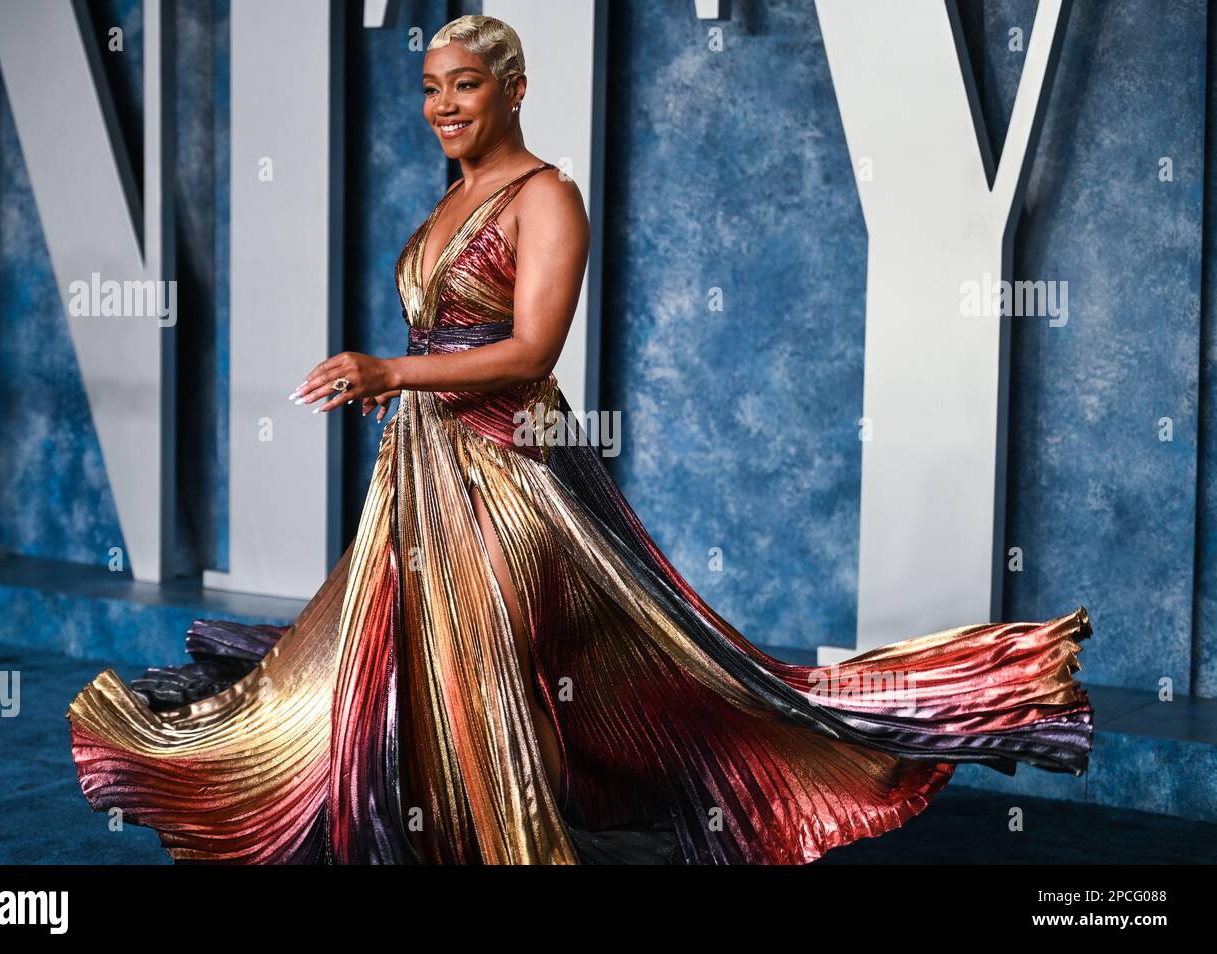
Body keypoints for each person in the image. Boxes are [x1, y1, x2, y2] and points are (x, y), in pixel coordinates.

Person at [66, 14, 1093, 865]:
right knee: (409, 657)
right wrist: (406, 391)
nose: (441, 108)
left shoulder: (546, 196)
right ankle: (456, 827)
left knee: (513, 646)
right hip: (424, 469)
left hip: (514, 467)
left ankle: (534, 827)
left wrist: (392, 371)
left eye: (463, 86)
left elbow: (528, 350)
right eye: (429, 89)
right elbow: (450, 331)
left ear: (513, 88)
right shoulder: (448, 202)